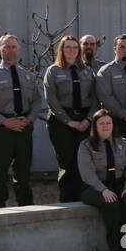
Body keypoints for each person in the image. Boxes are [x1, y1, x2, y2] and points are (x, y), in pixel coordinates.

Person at [0, 33, 45, 208]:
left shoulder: (29, 75)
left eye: (13, 46)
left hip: (24, 128)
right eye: (6, 46)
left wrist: (29, 120)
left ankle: (25, 208)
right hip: (1, 129)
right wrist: (4, 121)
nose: (10, 50)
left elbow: (38, 100)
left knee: (23, 173)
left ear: (19, 49)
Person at [77, 109, 126, 251]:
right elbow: (87, 174)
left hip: (120, 184)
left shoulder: (123, 143)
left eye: (108, 123)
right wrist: (103, 190)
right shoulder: (86, 145)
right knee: (111, 205)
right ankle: (115, 248)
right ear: (95, 126)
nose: (105, 126)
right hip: (94, 187)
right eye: (101, 123)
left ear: (113, 125)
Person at [44, 34, 98, 202]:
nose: (72, 50)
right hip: (61, 121)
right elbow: (51, 99)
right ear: (61, 49)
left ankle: (84, 197)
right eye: (68, 47)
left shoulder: (88, 71)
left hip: (84, 120)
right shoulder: (53, 71)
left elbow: (96, 98)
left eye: (75, 47)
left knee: (83, 161)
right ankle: (67, 200)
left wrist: (88, 120)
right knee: (66, 162)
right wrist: (69, 121)